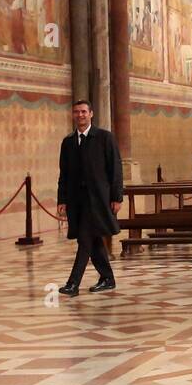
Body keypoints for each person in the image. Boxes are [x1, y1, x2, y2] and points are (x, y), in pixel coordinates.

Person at [55, 99, 123, 296]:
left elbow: (115, 169)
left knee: (85, 239)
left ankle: (73, 283)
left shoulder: (105, 138)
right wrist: (62, 200)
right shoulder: (67, 142)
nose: (80, 115)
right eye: (76, 112)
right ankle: (107, 278)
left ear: (91, 114)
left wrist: (117, 197)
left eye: (84, 111)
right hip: (77, 201)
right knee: (92, 240)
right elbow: (64, 174)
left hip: (98, 200)